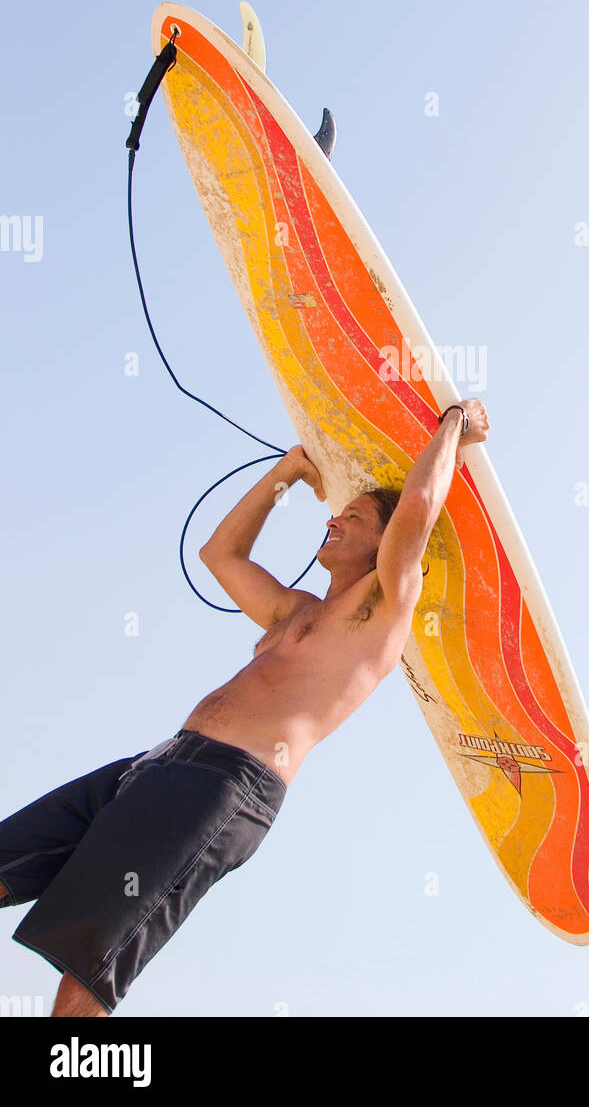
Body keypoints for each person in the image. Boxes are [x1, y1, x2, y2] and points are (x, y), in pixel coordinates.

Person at [0, 398, 489, 1016]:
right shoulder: (295, 612)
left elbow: (418, 508)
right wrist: (288, 471)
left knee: (91, 966)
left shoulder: (382, 606)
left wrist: (453, 426)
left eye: (355, 516)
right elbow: (219, 555)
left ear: (384, 542)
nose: (334, 519)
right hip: (156, 764)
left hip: (226, 788)